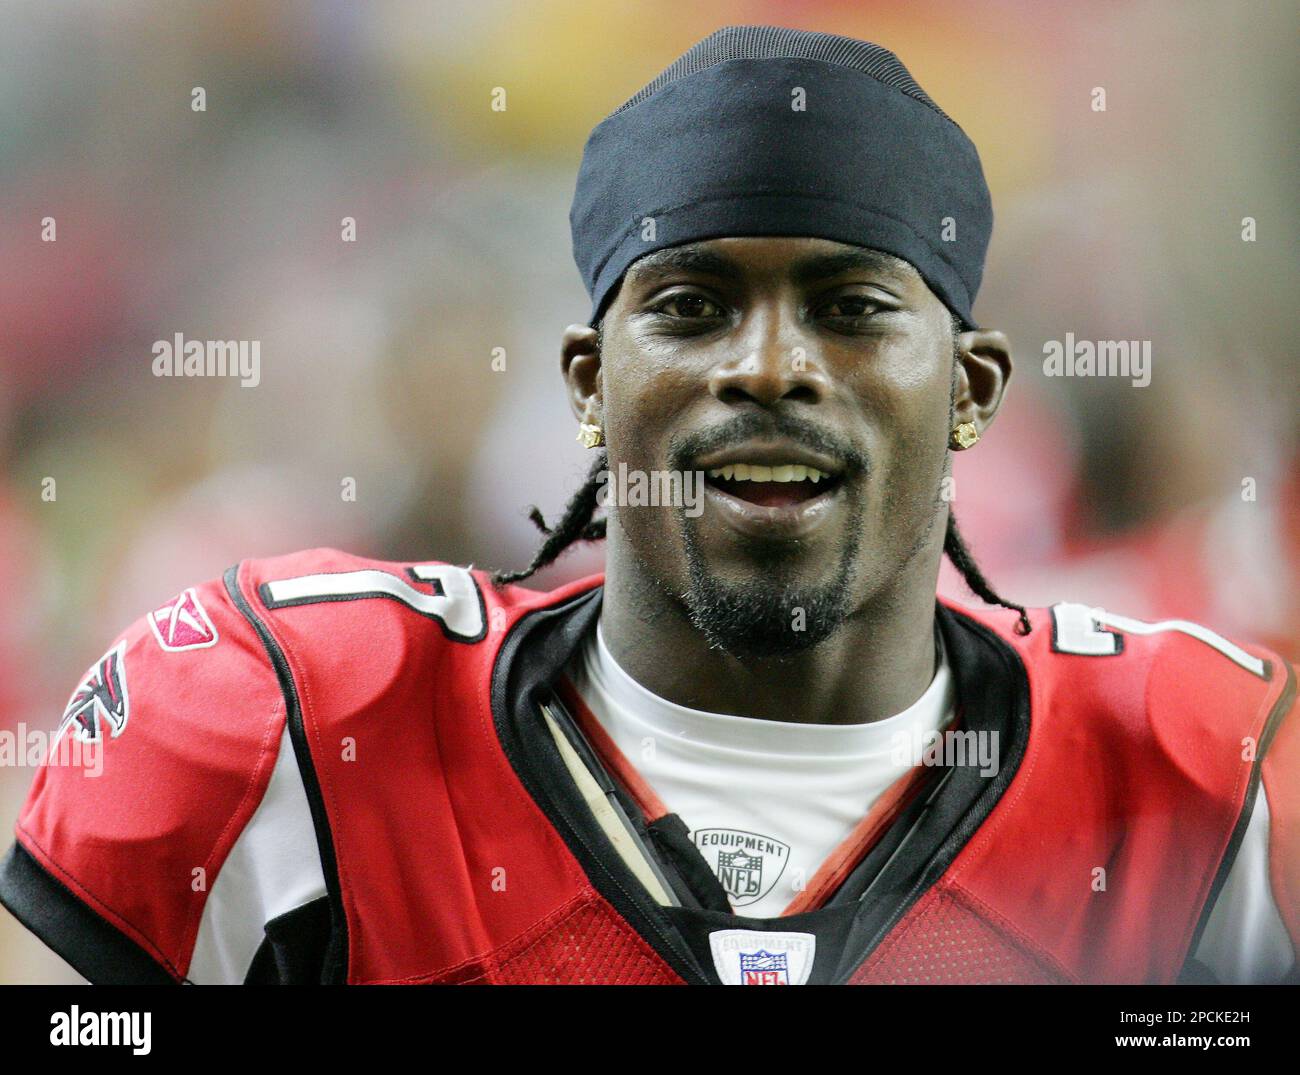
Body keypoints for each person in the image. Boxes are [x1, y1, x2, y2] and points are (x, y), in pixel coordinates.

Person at [1, 25, 1294, 985]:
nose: (771, 366)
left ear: (971, 390)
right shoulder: (285, 727)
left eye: (850, 307)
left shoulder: (1209, 777)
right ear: (586, 382)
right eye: (691, 305)